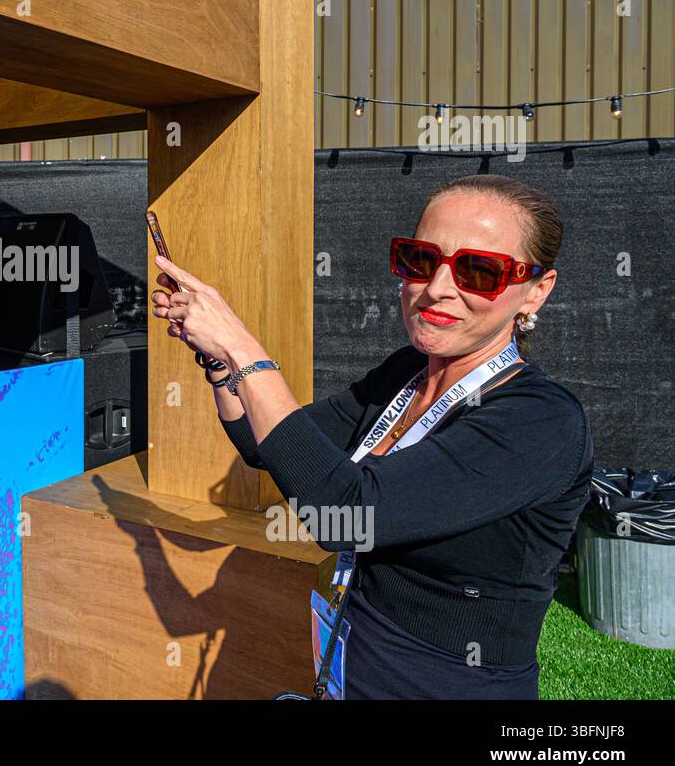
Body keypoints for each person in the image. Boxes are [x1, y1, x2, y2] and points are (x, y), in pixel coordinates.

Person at [150, 173, 593, 699]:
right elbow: (268, 446)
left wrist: (245, 350)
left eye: (479, 271)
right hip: (349, 656)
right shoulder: (408, 370)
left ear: (536, 292)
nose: (437, 288)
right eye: (421, 259)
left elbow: (348, 514)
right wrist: (221, 362)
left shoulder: (541, 421)